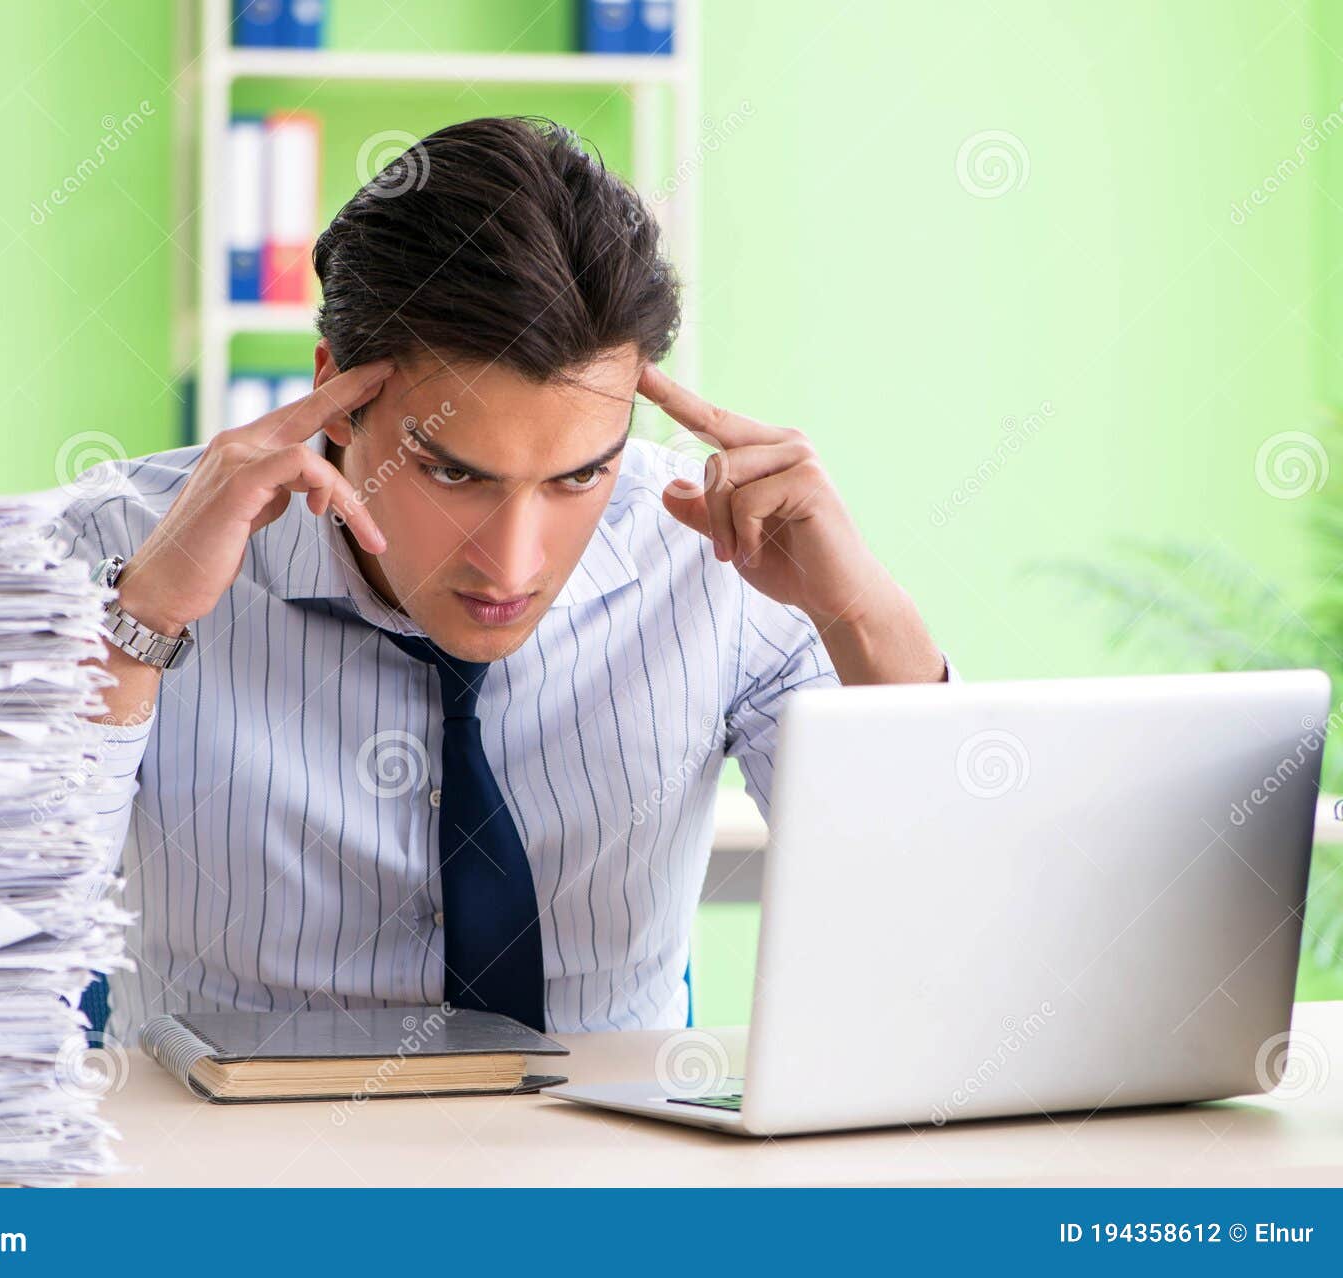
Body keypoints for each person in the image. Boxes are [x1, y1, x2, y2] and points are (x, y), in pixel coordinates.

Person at [61, 116, 951, 1040]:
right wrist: (143, 622)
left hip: (609, 1168)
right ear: (333, 391)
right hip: (231, 1169)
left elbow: (939, 906)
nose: (514, 563)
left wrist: (857, 610)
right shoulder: (124, 541)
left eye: (579, 475)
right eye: (452, 472)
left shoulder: (720, 557)